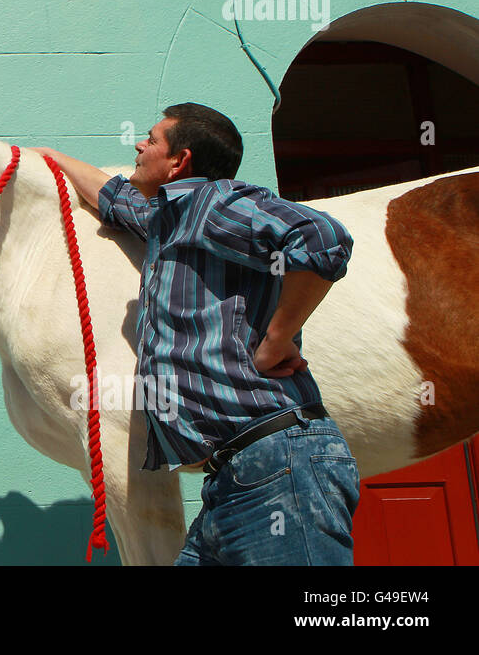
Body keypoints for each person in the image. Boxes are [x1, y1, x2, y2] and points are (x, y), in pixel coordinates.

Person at [33, 103, 359, 565]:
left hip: (277, 463)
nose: (138, 145)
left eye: (149, 139)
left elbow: (322, 237)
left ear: (179, 161)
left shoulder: (212, 203)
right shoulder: (169, 220)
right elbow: (114, 198)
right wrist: (50, 158)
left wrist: (278, 338)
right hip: (234, 475)